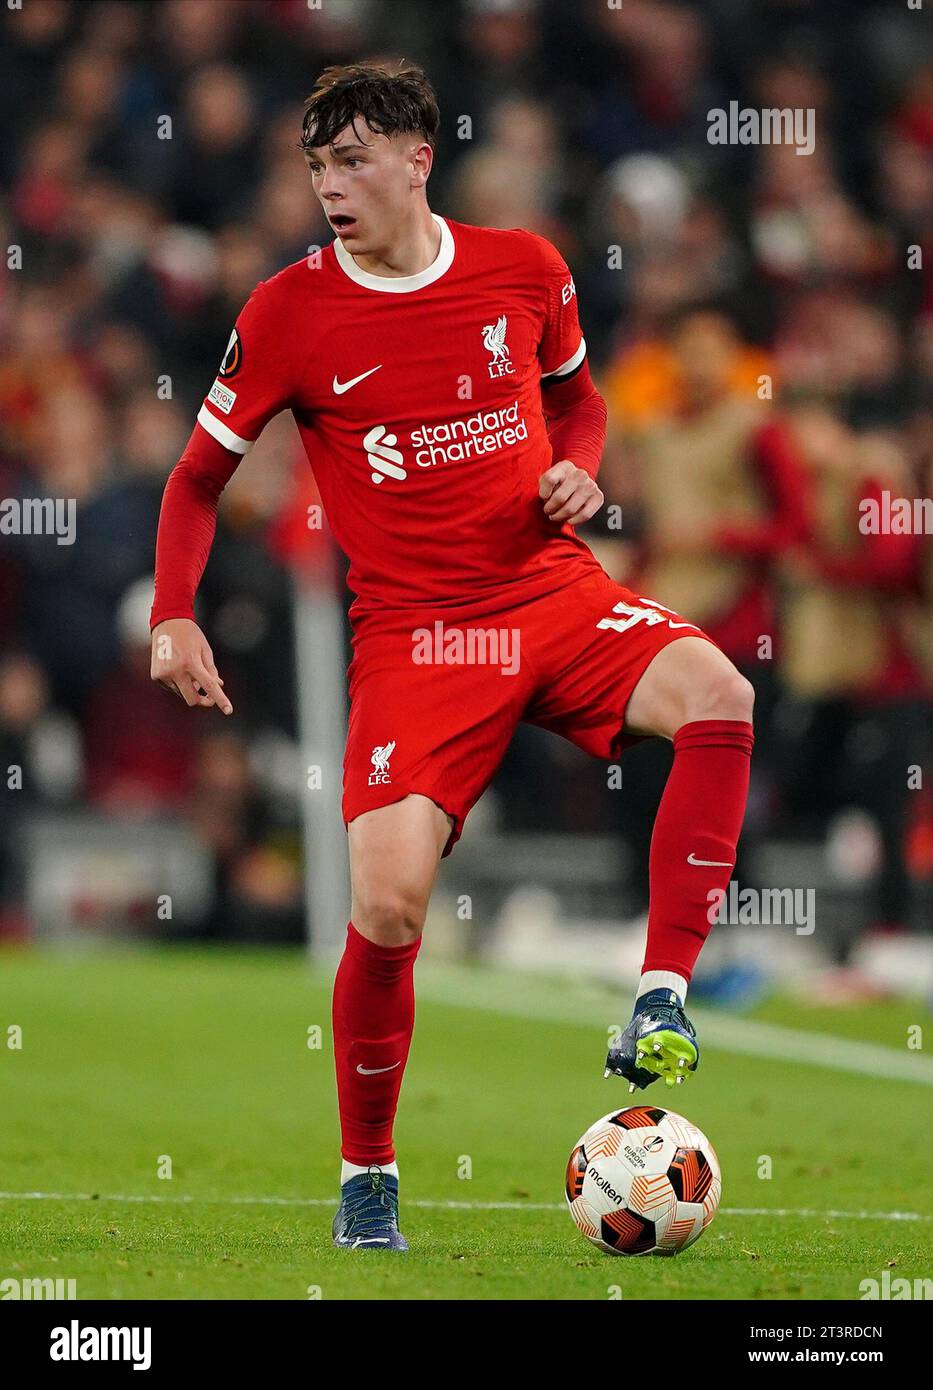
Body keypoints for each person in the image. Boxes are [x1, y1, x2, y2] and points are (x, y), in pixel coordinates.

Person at [149, 64, 754, 1252]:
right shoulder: (287, 311)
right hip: (416, 638)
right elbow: (195, 478)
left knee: (720, 692)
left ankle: (661, 993)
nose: (333, 185)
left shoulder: (523, 267)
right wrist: (175, 611)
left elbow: (578, 404)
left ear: (419, 160)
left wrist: (581, 465)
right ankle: (367, 1175)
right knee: (384, 904)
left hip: (550, 591)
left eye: (356, 160)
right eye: (318, 166)